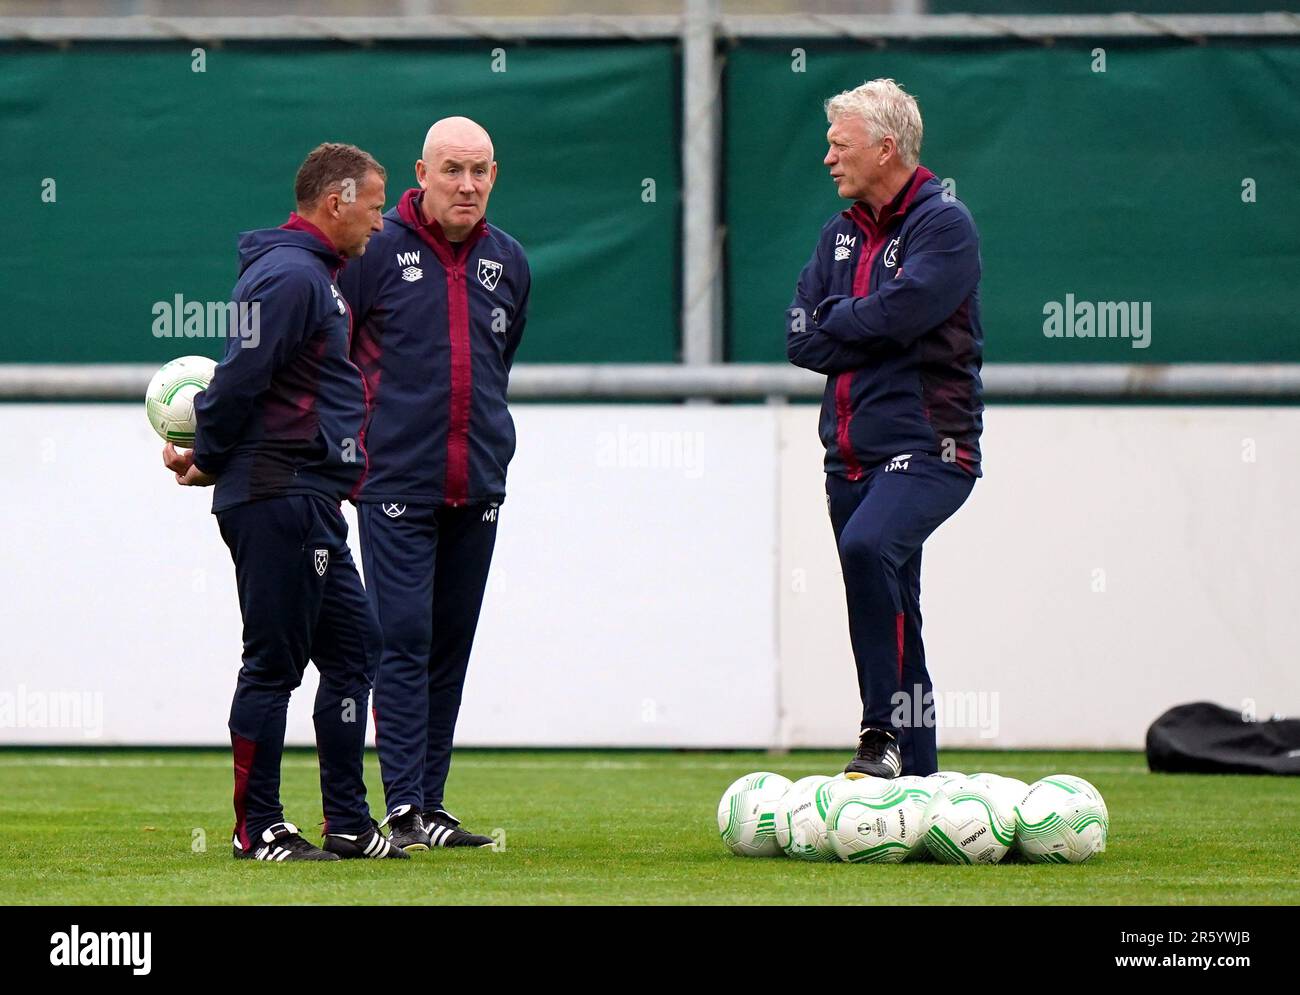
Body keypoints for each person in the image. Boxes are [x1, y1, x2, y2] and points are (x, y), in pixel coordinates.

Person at [163, 143, 407, 860]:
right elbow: (239, 376)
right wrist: (210, 452)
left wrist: (215, 457)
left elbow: (257, 381)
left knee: (355, 648)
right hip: (280, 492)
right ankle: (257, 827)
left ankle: (351, 823)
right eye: (374, 204)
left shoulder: (311, 276)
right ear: (335, 201)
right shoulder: (289, 277)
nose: (382, 221)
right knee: (273, 662)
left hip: (306, 495)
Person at [339, 117, 529, 850]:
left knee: (450, 643)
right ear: (421, 172)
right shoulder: (373, 251)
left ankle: (433, 804)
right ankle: (403, 804)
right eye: (453, 169)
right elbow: (335, 351)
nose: (468, 185)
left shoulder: (508, 260)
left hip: (477, 483)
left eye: (480, 170)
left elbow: (498, 361)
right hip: (393, 480)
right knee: (403, 639)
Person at [786, 79, 984, 779]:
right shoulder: (836, 233)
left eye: (839, 144)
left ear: (885, 147)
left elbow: (905, 313)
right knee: (898, 609)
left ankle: (879, 733)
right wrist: (867, 320)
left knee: (870, 547)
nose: (827, 158)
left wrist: (845, 317)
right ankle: (923, 785)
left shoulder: (944, 224)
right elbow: (800, 339)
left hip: (932, 450)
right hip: (848, 456)